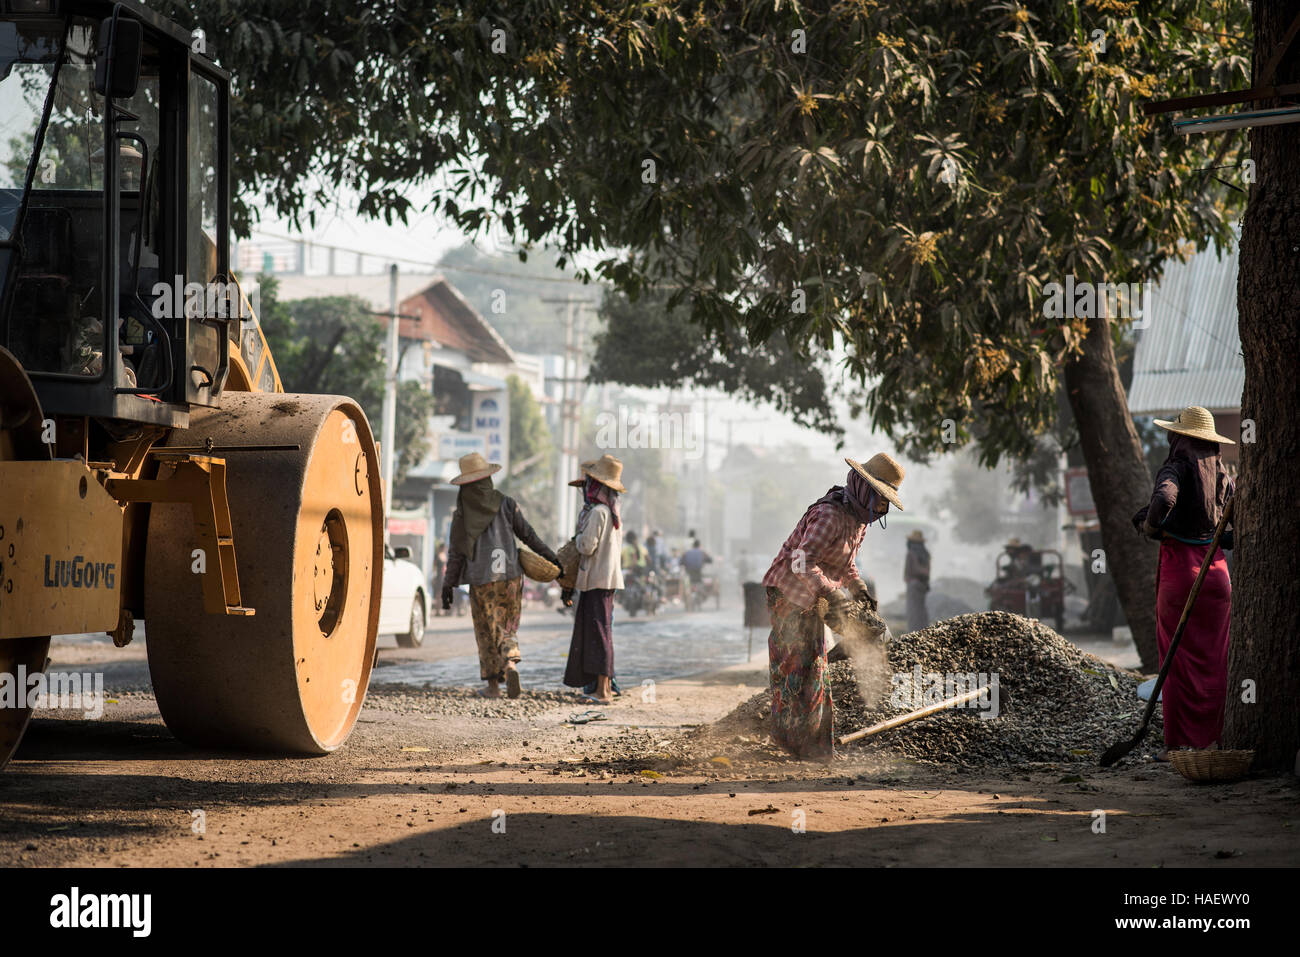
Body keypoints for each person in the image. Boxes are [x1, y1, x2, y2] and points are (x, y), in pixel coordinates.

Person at [761, 452, 905, 760]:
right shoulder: (829, 515)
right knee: (796, 668)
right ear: (864, 490)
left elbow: (846, 565)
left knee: (816, 666)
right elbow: (801, 561)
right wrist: (833, 593)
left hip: (814, 597)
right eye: (880, 499)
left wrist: (858, 588)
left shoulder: (857, 522)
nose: (882, 507)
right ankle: (793, 742)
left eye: (886, 503)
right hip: (789, 593)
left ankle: (813, 748)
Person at [1131, 406, 1235, 758]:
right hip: (1216, 575)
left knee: (1177, 664)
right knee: (1214, 661)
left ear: (1180, 438)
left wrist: (1151, 527)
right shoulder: (1222, 474)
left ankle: (1179, 745)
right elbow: (1232, 526)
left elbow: (1163, 499)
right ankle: (1213, 740)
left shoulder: (1176, 466)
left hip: (1181, 576)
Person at [442, 453, 563, 699]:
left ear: (465, 485)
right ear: (488, 479)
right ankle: (510, 663)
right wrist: (553, 559)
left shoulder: (462, 514)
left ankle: (493, 686)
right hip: (511, 577)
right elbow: (528, 535)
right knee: (507, 626)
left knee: (487, 631)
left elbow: (455, 554)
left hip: (481, 580)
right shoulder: (507, 504)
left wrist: (447, 585)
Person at [563, 454, 626, 705]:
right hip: (606, 580)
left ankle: (603, 691)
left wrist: (576, 539)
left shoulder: (598, 513)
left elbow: (587, 546)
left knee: (599, 634)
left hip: (596, 580)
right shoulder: (611, 511)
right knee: (603, 633)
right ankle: (603, 687)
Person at [903, 530, 931, 632]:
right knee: (921, 609)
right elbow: (927, 572)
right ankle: (923, 629)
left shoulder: (911, 553)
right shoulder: (926, 553)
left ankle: (914, 631)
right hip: (923, 585)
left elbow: (908, 572)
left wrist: (908, 581)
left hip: (913, 585)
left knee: (913, 610)